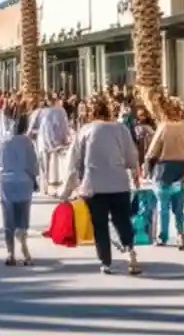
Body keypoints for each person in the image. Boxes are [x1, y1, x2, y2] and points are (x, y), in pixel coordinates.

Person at [61, 97, 142, 276]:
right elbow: (131, 157)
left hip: (94, 186)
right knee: (123, 220)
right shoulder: (121, 130)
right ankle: (130, 252)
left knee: (100, 225)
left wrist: (67, 190)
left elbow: (73, 163)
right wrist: (135, 175)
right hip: (119, 184)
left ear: (91, 113)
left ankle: (106, 262)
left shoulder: (85, 131)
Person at [0, 105, 39, 266]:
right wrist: (34, 179)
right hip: (24, 180)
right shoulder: (27, 142)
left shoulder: (3, 141)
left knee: (8, 217)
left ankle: (10, 252)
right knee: (23, 214)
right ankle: (24, 246)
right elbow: (33, 163)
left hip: (7, 181)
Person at [144, 97, 184, 249]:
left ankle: (163, 236)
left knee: (163, 206)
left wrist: (146, 166)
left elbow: (152, 151)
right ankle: (180, 235)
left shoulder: (163, 127)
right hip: (182, 170)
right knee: (179, 208)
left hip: (163, 170)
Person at [30, 94, 72, 196]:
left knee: (44, 164)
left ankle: (46, 186)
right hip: (54, 141)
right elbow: (65, 126)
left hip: (43, 141)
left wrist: (32, 134)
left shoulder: (40, 112)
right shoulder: (60, 111)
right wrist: (66, 137)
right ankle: (54, 185)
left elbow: (31, 129)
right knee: (55, 164)